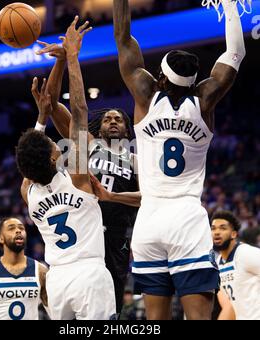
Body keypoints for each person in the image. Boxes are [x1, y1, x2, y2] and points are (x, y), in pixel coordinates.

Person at [113, 0, 246, 319]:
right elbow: (235, 54)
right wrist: (229, 6)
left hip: (149, 220)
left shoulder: (145, 94)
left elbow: (123, 38)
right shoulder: (204, 101)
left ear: (160, 77)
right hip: (187, 218)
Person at [16, 17, 116, 320]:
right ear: (51, 158)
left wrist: (42, 117)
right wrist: (72, 56)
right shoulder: (77, 178)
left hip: (57, 280)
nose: (56, 146)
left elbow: (28, 166)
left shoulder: (29, 194)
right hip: (89, 274)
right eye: (52, 147)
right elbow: (81, 111)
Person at [33, 39, 141, 315]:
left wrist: (113, 196)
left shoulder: (136, 161)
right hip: (83, 233)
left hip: (115, 237)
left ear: (127, 132)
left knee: (111, 310)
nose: (113, 121)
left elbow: (149, 198)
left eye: (119, 119)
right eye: (108, 119)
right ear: (100, 127)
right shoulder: (87, 144)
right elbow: (53, 102)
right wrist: (60, 62)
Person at [211, 210, 260, 320]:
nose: (216, 232)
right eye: (213, 228)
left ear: (234, 234)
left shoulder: (246, 253)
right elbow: (229, 308)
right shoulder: (217, 264)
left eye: (223, 228)